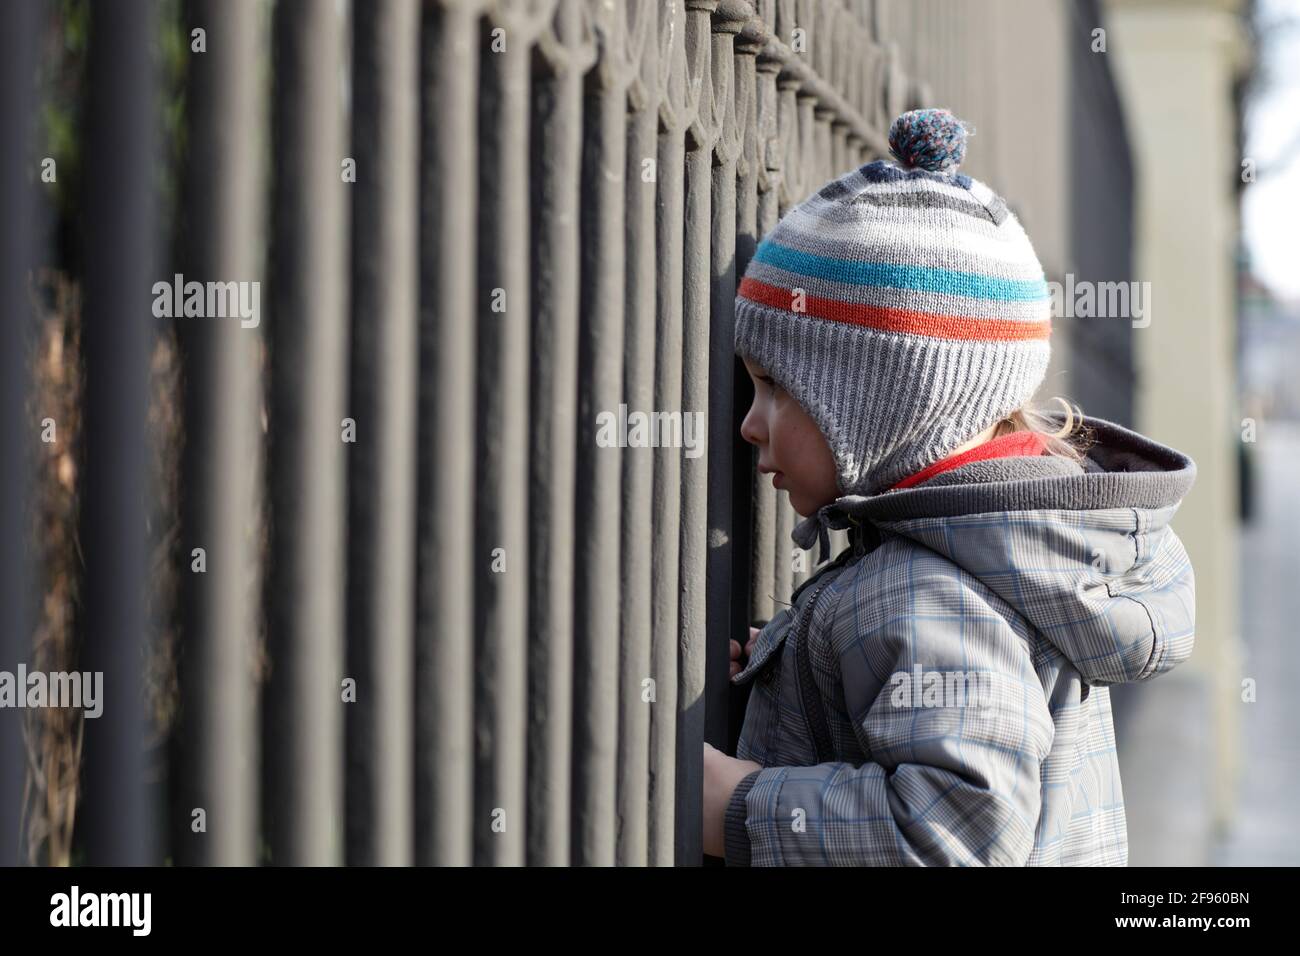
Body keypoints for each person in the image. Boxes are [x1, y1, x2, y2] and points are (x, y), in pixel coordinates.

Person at [703, 108, 1197, 866]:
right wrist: (798, 666)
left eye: (774, 387)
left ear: (885, 401)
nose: (749, 423)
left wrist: (738, 808)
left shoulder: (925, 589)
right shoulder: (981, 561)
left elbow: (954, 834)